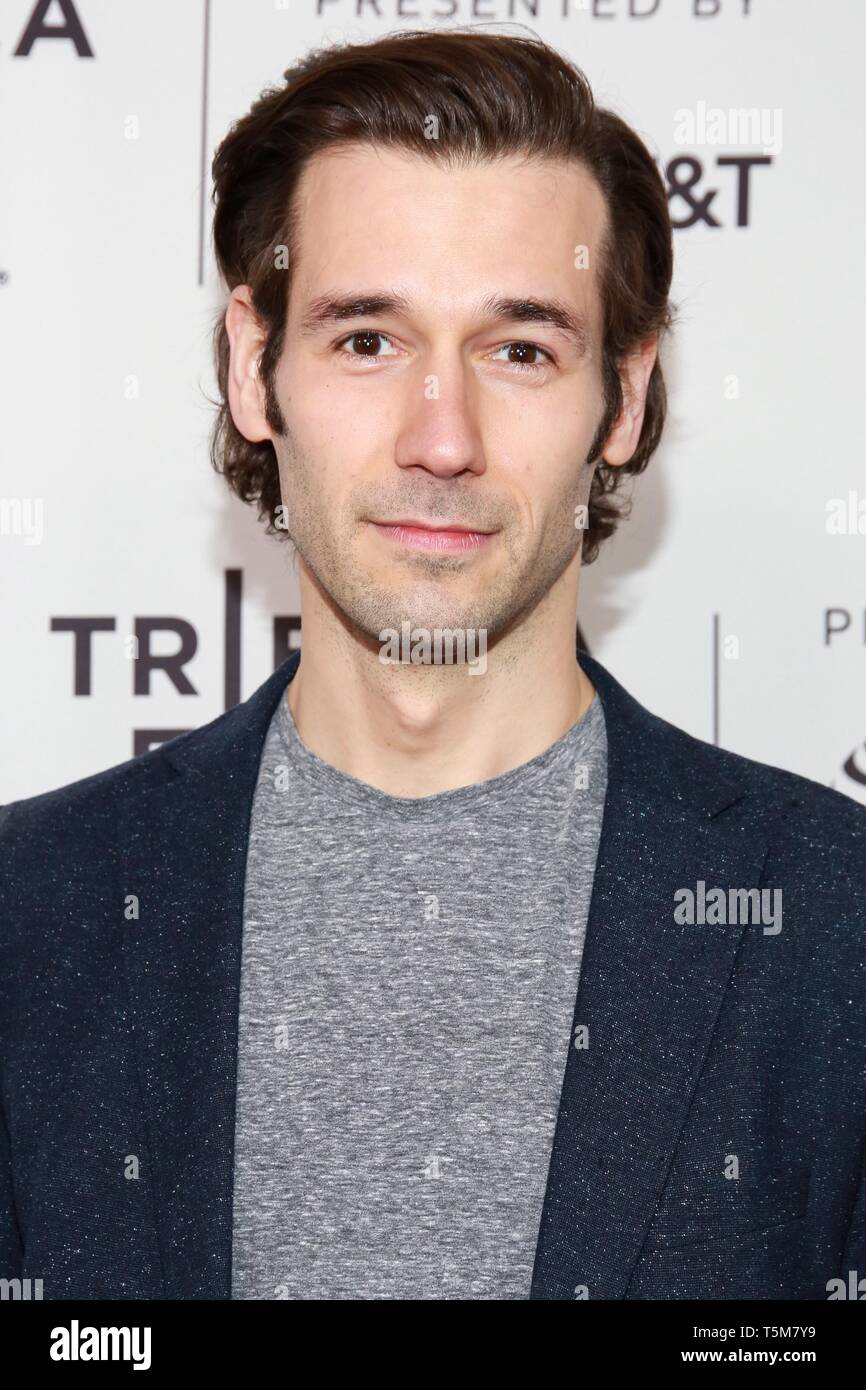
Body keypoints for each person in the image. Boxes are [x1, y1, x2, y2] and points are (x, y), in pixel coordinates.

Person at [1, 29, 864, 1302]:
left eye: (520, 348)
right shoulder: (33, 914)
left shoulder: (829, 922)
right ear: (255, 366)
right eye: (367, 339)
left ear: (621, 401)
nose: (440, 437)